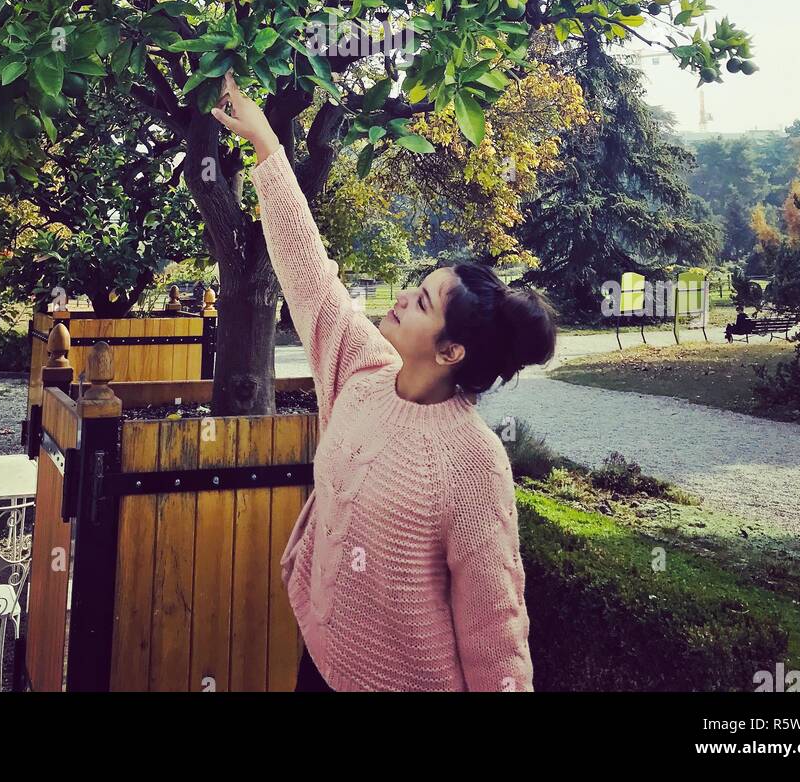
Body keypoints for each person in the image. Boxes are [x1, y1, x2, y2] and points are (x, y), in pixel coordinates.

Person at [211, 72, 555, 692]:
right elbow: (310, 275)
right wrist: (267, 147)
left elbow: (495, 624)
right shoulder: (367, 373)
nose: (400, 299)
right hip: (320, 661)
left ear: (450, 350)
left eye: (421, 302)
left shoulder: (474, 463)